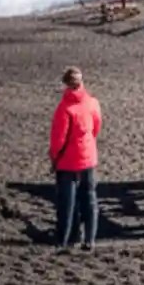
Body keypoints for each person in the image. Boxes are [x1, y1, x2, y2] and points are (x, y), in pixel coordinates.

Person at [49, 66, 102, 251]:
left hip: (68, 160)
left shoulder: (64, 109)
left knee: (67, 202)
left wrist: (54, 158)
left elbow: (58, 139)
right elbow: (96, 127)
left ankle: (64, 241)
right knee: (89, 198)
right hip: (88, 157)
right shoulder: (93, 102)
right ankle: (90, 239)